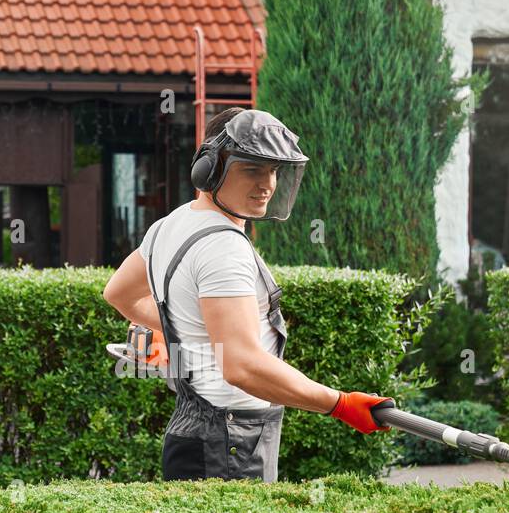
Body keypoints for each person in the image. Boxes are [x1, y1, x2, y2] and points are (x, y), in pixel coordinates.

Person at [102, 107, 393, 483]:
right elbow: (241, 366)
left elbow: (119, 295)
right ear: (210, 168)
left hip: (192, 431)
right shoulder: (223, 248)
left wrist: (192, 330)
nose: (268, 184)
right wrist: (339, 403)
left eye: (274, 169)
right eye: (252, 168)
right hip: (230, 442)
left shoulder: (169, 225)